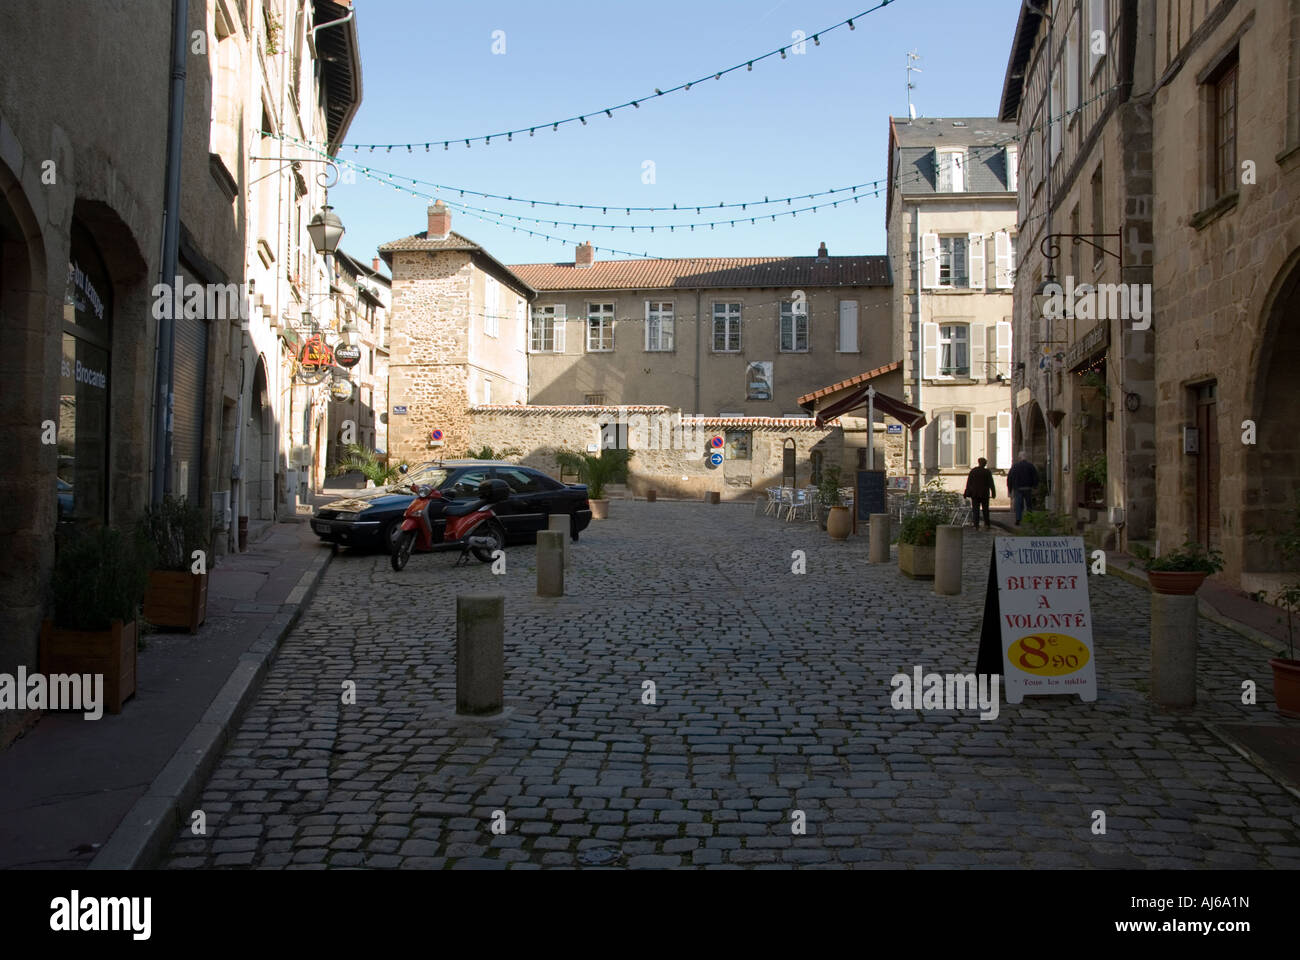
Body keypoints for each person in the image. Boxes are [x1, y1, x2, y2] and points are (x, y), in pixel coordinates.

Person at [963, 457, 996, 530]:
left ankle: (976, 524)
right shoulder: (987, 472)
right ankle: (987, 524)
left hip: (975, 494)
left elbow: (969, 483)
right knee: (985, 510)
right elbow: (991, 483)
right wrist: (993, 493)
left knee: (975, 510)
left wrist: (966, 492)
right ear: (984, 464)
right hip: (984, 494)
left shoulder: (973, 471)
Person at [1007, 452, 1039, 525]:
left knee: (1018, 505)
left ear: (1019, 457)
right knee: (1029, 505)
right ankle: (1030, 518)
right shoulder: (1030, 466)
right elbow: (1035, 476)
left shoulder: (1015, 466)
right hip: (1028, 488)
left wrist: (1010, 488)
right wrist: (1035, 486)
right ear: (1026, 457)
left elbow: (1010, 478)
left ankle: (1018, 519)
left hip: (1018, 488)